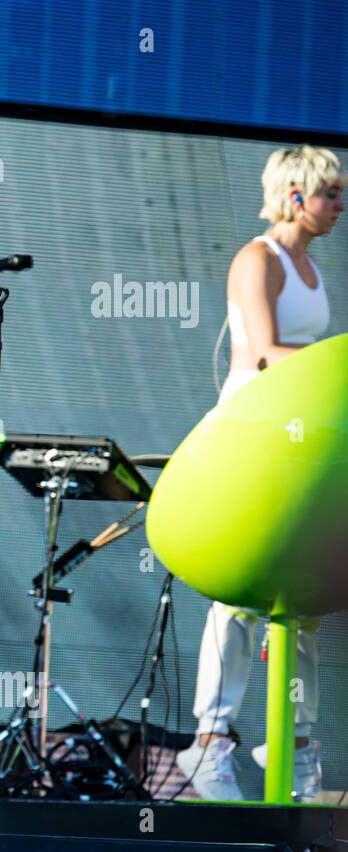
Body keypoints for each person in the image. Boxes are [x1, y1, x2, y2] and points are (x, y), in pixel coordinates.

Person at [176, 144, 343, 801]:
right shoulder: (258, 258)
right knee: (239, 593)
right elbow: (269, 351)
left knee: (302, 605)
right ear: (297, 195)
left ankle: (294, 743)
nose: (340, 205)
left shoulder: (310, 266)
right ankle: (209, 741)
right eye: (330, 193)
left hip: (300, 442)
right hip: (253, 436)